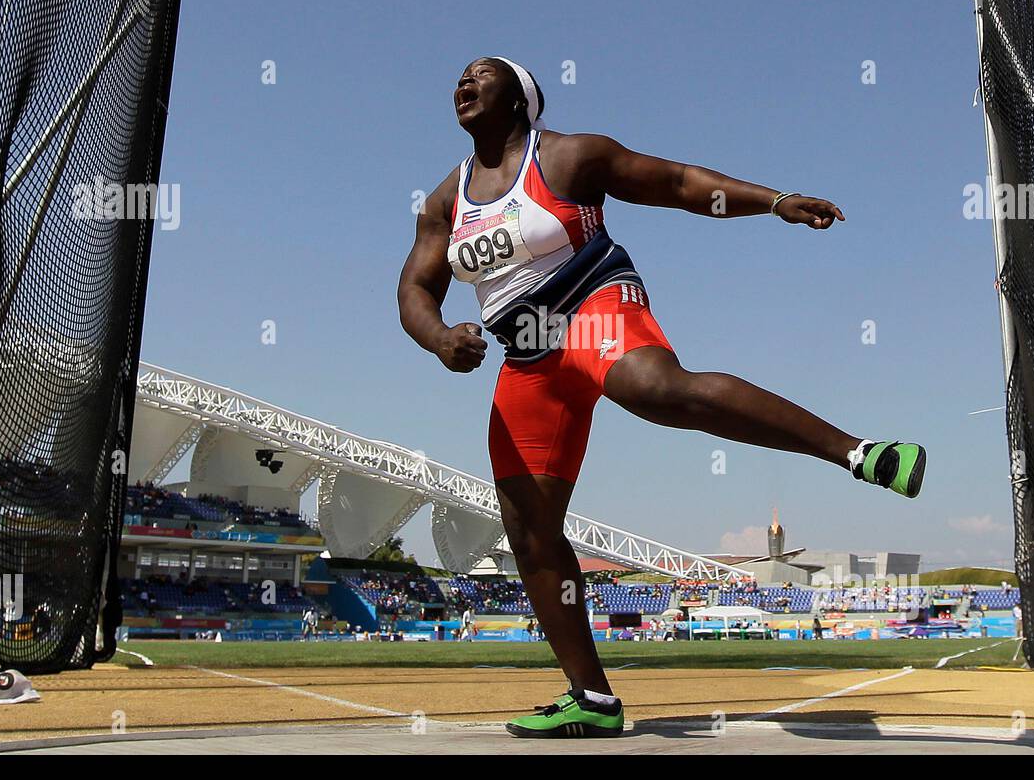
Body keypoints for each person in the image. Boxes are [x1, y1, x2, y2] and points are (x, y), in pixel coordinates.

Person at [397, 57, 928, 740]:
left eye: (482, 73)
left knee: (655, 388)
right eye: (458, 77)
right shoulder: (444, 200)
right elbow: (414, 288)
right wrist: (441, 339)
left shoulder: (567, 156)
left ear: (521, 97)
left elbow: (678, 183)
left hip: (590, 301)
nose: (463, 82)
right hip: (526, 355)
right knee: (529, 531)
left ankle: (859, 452)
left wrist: (773, 200)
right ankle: (590, 696)